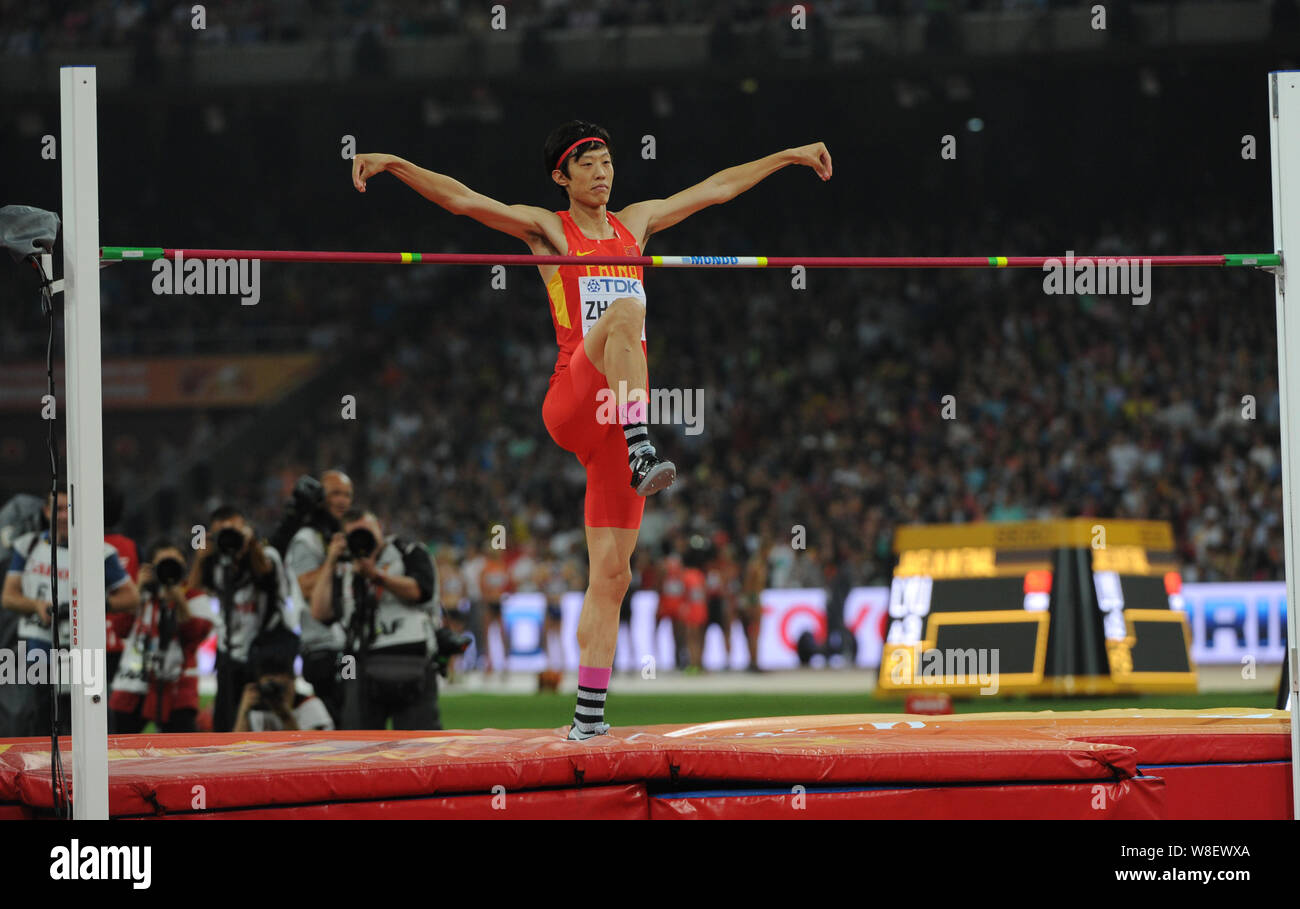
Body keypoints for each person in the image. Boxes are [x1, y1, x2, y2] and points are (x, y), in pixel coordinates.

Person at [350, 123, 832, 738]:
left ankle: (587, 722)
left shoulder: (639, 222)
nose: (603, 173)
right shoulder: (550, 229)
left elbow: (717, 189)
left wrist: (787, 155)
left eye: (608, 162)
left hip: (618, 419)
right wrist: (394, 162)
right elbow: (465, 200)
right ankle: (641, 443)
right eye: (589, 165)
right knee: (625, 311)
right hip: (575, 398)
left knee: (613, 575)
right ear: (563, 176)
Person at [2, 491, 139, 736]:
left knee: (92, 722)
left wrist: (91, 606)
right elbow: (8, 597)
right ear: (46, 511)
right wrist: (36, 606)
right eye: (59, 508)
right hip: (38, 645)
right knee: (40, 721)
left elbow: (131, 598)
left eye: (69, 508)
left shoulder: (100, 550)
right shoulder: (28, 546)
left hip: (83, 647)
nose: (64, 515)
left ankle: (96, 773)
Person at [311, 509, 442, 730]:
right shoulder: (343, 566)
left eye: (367, 532)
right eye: (355, 535)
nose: (363, 540)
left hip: (409, 654)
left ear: (380, 528)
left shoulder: (409, 551)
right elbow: (320, 612)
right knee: (356, 746)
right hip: (353, 661)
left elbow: (421, 591)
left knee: (419, 746)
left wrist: (376, 576)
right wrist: (331, 559)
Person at [191, 504, 294, 733]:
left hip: (262, 652)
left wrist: (250, 545)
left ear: (247, 529)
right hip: (228, 653)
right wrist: (201, 557)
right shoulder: (216, 562)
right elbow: (194, 591)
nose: (228, 539)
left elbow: (265, 574)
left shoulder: (267, 554)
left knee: (264, 723)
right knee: (226, 724)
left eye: (234, 532)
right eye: (222, 534)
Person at [109, 539, 212, 733]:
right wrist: (137, 590)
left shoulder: (194, 597)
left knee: (180, 753)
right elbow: (120, 629)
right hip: (133, 684)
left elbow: (195, 635)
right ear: (150, 568)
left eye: (175, 564)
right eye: (163, 564)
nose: (169, 570)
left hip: (178, 689)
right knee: (120, 749)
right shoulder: (141, 596)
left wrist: (178, 597)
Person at [284, 470, 353, 728]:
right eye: (336, 493)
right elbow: (304, 586)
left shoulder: (336, 534)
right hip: (321, 648)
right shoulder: (307, 539)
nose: (343, 500)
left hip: (342, 647)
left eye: (347, 495)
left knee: (350, 719)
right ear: (320, 498)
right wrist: (337, 562)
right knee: (338, 725)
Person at [233, 624, 334, 732]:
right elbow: (237, 746)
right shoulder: (257, 709)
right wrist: (243, 712)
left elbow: (310, 747)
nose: (274, 683)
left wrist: (285, 716)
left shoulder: (310, 706)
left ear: (292, 679)